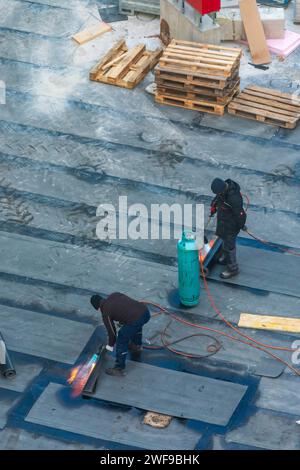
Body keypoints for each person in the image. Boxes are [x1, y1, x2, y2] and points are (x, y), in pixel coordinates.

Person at [90, 292, 150, 377]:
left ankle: (119, 368)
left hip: (136, 318)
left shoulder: (105, 313)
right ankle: (137, 346)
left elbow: (112, 333)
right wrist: (123, 321)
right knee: (135, 325)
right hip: (145, 312)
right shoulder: (114, 295)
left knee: (121, 338)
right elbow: (126, 307)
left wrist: (110, 346)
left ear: (98, 308)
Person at [210, 178, 247, 279]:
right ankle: (226, 258)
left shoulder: (234, 199)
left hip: (231, 226)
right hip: (223, 222)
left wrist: (241, 225)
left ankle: (233, 269)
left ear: (223, 189)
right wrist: (213, 206)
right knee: (223, 240)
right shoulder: (223, 190)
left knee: (229, 247)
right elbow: (218, 198)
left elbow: (241, 214)